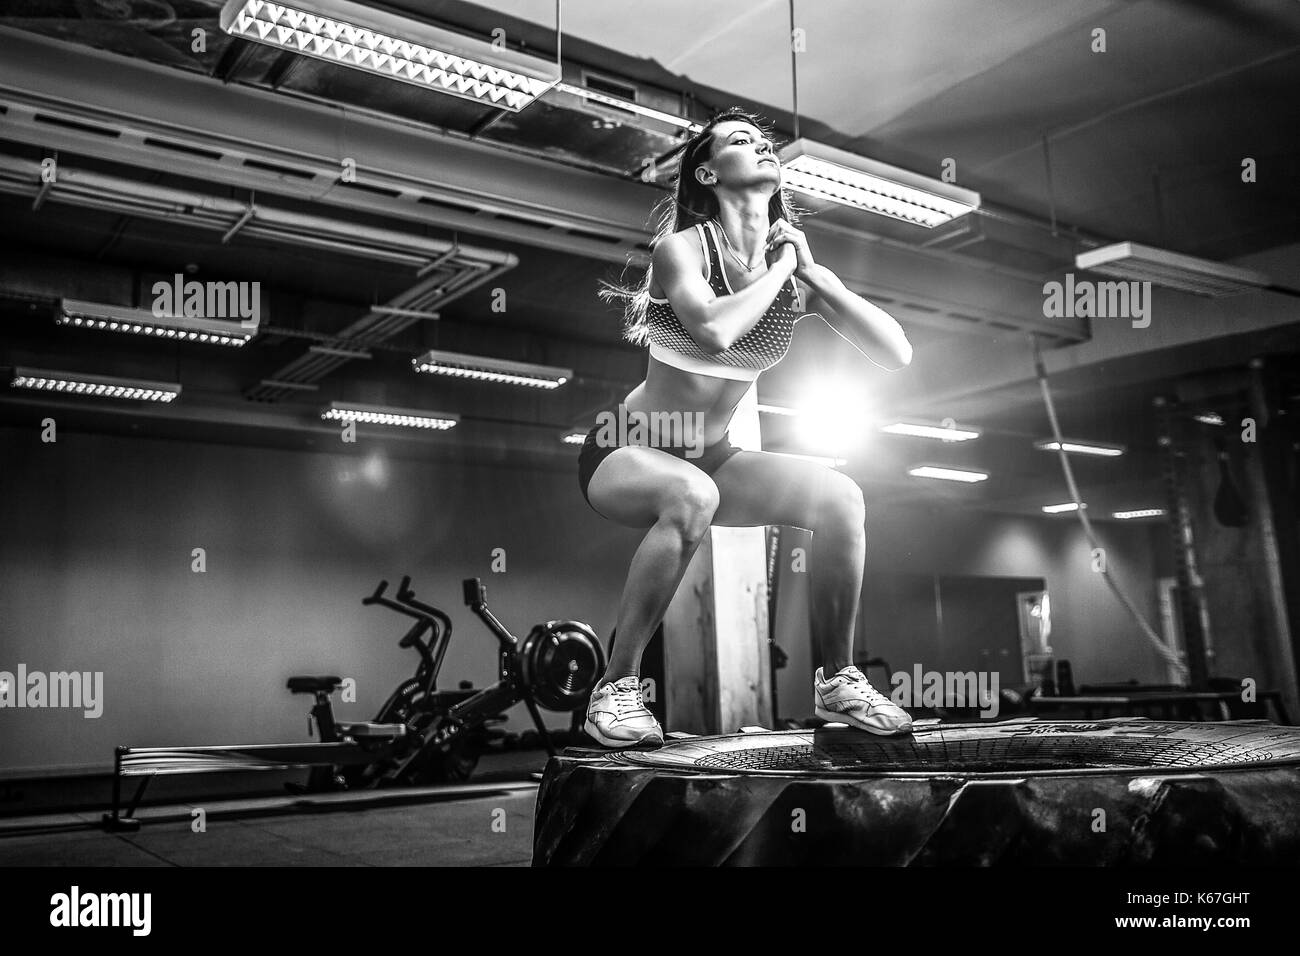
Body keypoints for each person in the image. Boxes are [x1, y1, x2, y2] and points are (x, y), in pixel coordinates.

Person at [578, 108, 915, 747]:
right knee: (690, 496)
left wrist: (814, 276)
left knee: (840, 497)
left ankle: (837, 680)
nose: (761, 144)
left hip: (712, 456)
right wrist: (785, 272)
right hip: (623, 447)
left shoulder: (796, 271)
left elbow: (896, 353)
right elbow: (713, 329)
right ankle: (615, 690)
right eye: (740, 140)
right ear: (707, 172)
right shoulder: (682, 250)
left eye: (764, 140)